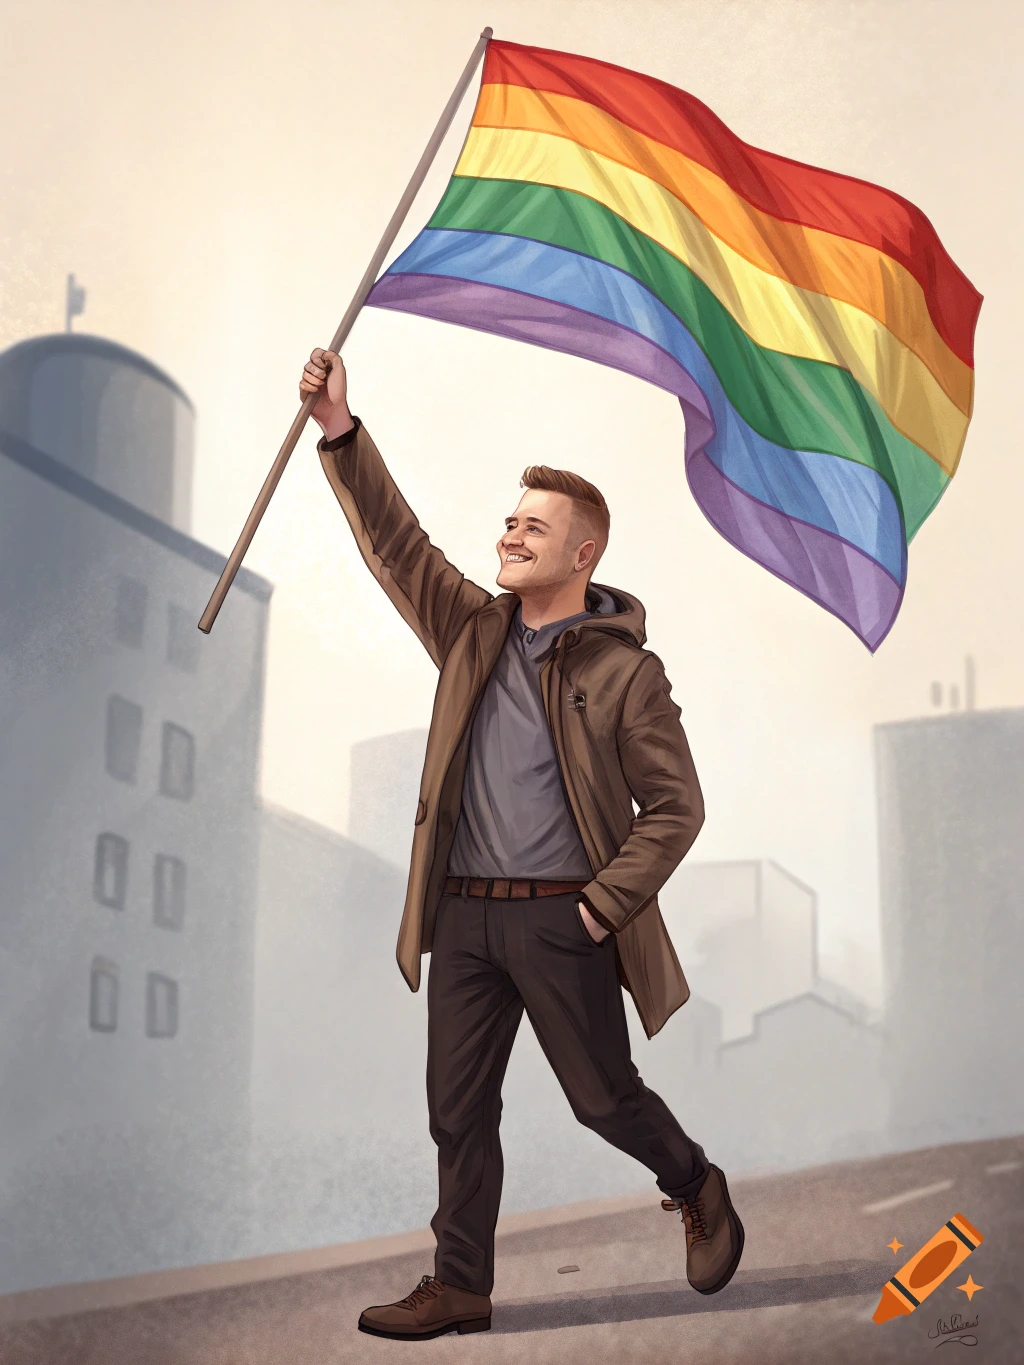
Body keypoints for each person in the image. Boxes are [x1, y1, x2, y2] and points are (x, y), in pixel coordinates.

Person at [300, 348, 744, 1341]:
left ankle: (693, 1181)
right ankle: (460, 1284)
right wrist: (339, 428)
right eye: (509, 521)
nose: (508, 534)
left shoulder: (627, 676)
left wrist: (598, 907)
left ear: (581, 554)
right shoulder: (471, 630)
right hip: (462, 914)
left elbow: (675, 807)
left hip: (562, 919)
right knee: (456, 1111)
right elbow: (398, 545)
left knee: (602, 1100)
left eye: (531, 527)